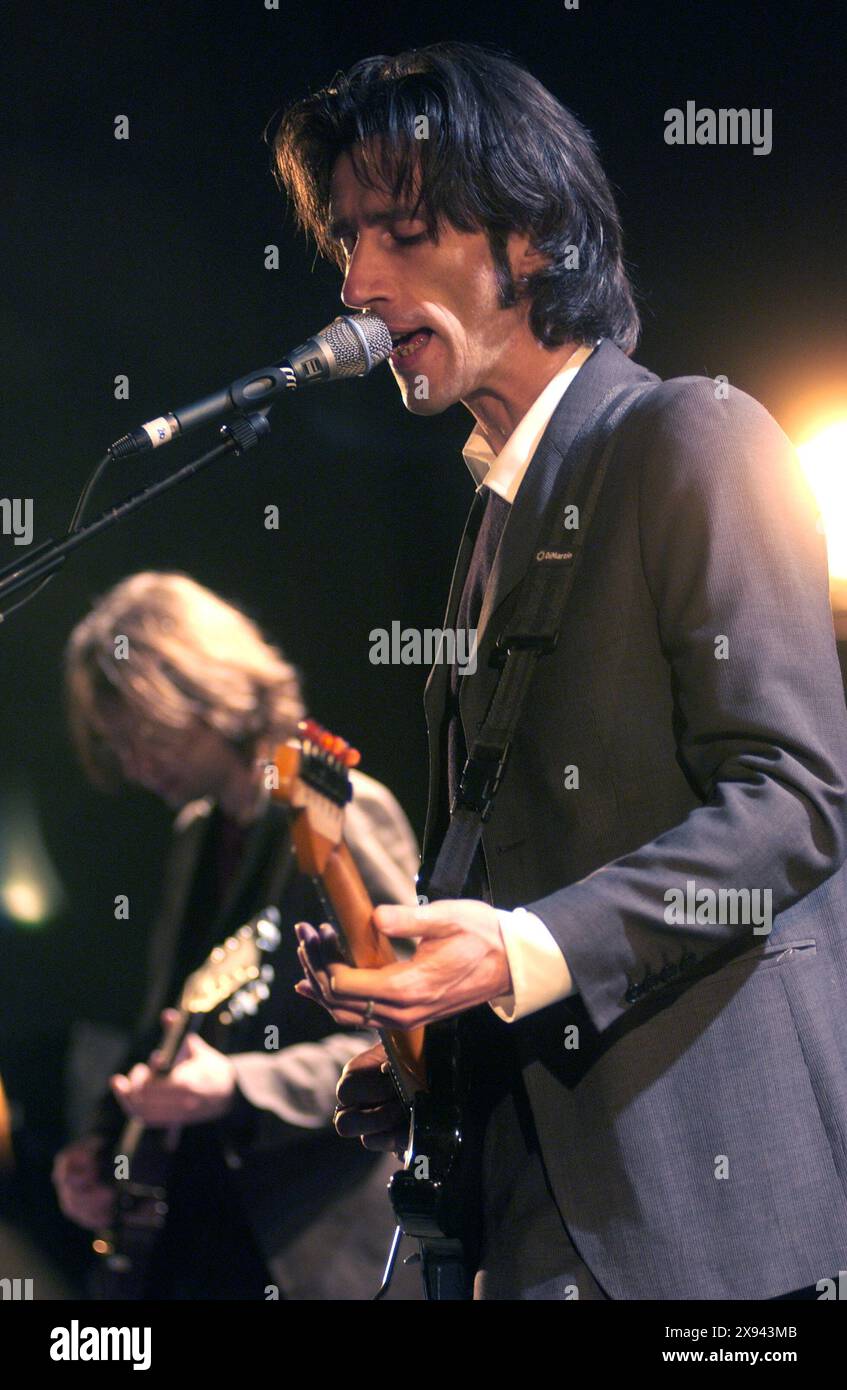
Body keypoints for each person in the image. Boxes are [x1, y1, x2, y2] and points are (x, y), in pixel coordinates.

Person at [271, 41, 847, 1299]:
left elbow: (797, 805)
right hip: (536, 1221)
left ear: (529, 238)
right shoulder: (494, 517)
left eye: (401, 235)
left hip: (705, 1221)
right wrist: (425, 1030)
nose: (359, 283)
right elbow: (515, 868)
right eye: (348, 243)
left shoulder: (688, 432)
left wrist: (518, 949)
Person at [52, 571, 422, 1299]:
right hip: (211, 1237)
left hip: (324, 1247)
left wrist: (238, 1085)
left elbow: (420, 1034)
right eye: (115, 747)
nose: (131, 766)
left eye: (140, 736)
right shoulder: (198, 835)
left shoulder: (334, 807)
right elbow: (165, 1016)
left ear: (203, 691)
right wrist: (102, 1148)